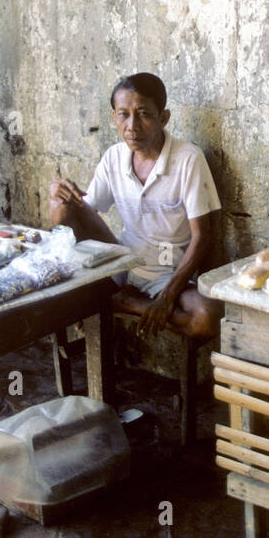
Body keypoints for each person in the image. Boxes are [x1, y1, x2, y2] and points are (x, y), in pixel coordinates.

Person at [49, 72, 223, 340]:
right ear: (113, 117)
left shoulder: (187, 159)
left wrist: (166, 298)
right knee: (62, 208)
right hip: (123, 261)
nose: (132, 126)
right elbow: (82, 210)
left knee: (208, 319)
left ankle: (125, 303)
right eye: (123, 115)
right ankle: (117, 298)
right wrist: (57, 193)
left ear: (163, 118)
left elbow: (202, 238)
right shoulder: (114, 157)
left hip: (167, 273)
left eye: (144, 114)